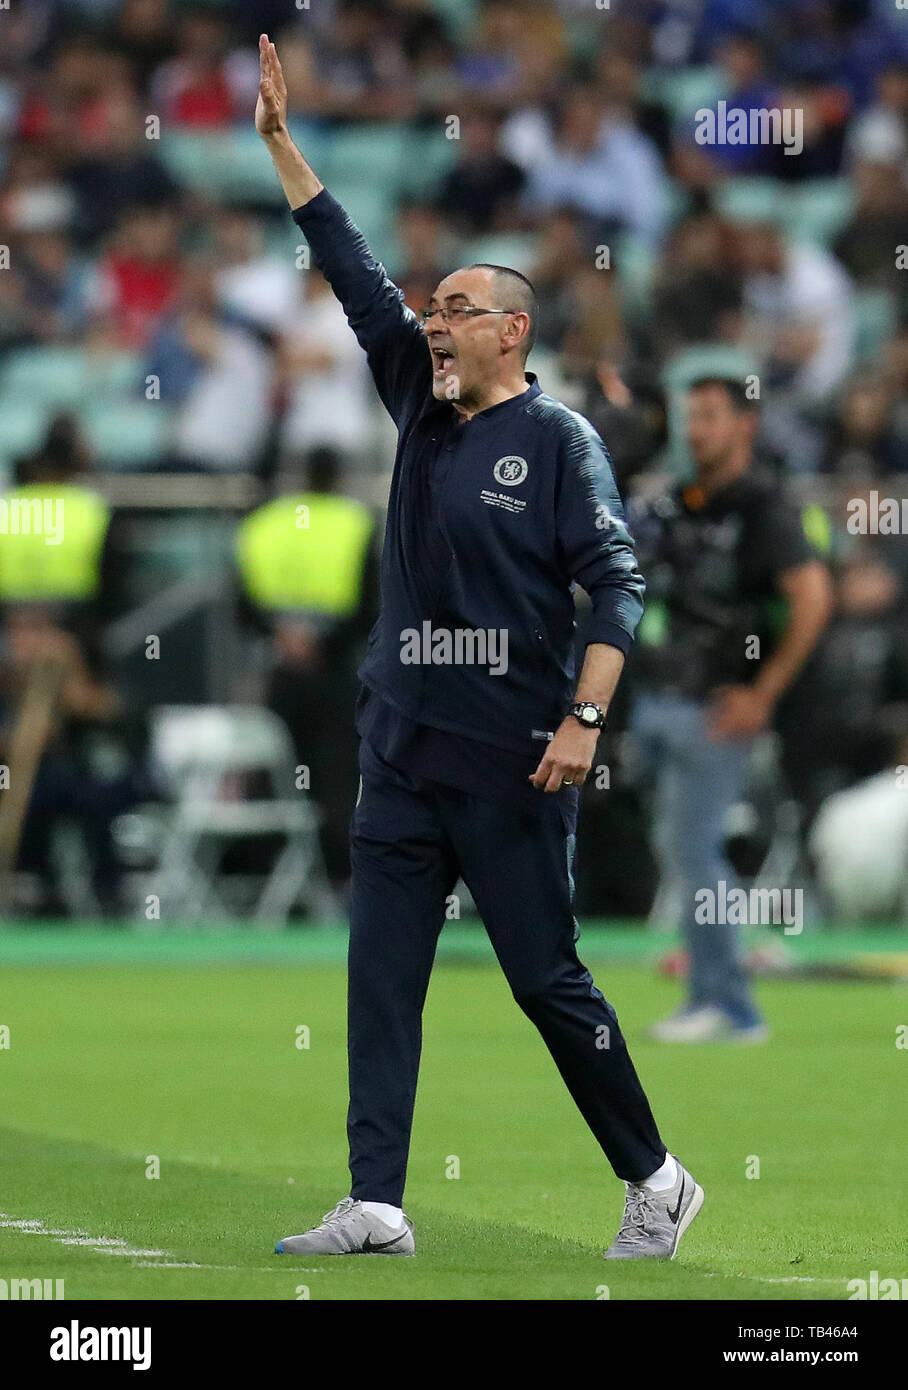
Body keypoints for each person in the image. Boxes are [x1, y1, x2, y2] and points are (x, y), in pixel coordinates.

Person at [255, 34, 704, 1262]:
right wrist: (287, 151)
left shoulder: (557, 444)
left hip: (514, 755)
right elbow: (350, 274)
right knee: (379, 972)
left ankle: (657, 1178)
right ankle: (377, 1201)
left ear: (510, 331)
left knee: (545, 984)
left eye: (455, 308)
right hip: (399, 746)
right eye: (432, 307)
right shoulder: (414, 394)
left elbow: (616, 588)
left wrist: (584, 719)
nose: (429, 321)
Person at [626, 378, 833, 1043]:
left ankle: (731, 1005)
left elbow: (813, 598)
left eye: (711, 417)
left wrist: (763, 691)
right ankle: (708, 995)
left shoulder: (762, 506)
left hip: (716, 707)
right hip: (662, 697)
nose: (695, 431)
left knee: (697, 851)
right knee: (682, 851)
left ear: (746, 425)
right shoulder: (684, 501)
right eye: (691, 417)